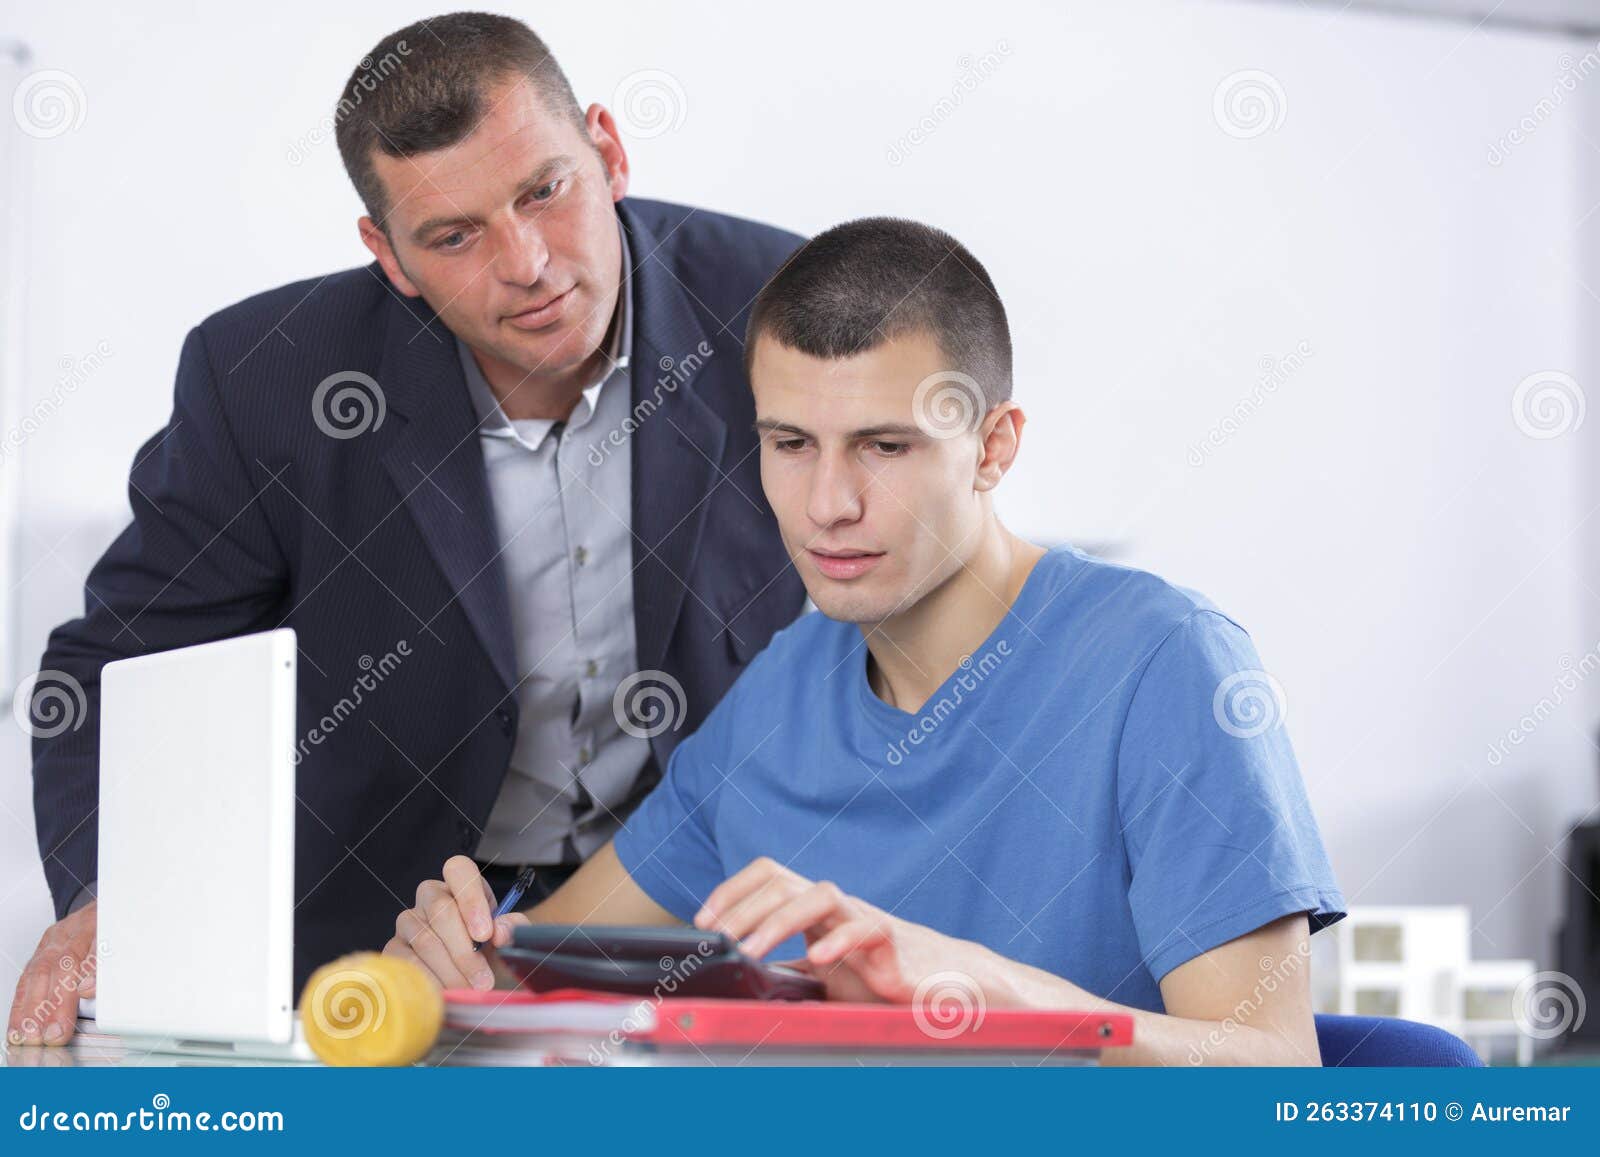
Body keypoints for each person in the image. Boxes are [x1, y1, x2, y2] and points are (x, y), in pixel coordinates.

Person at [8, 12, 806, 1048]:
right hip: (374, 958)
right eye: (454, 234)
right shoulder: (270, 378)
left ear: (607, 150)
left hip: (721, 934)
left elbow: (905, 624)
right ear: (386, 252)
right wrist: (111, 899)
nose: (526, 263)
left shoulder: (787, 314)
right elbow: (118, 663)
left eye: (544, 191)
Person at [388, 217, 1348, 1066]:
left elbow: (1268, 1073)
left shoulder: (1165, 663)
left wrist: (981, 991)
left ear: (995, 447)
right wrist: (464, 960)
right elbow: (549, 967)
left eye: (885, 447)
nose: (828, 506)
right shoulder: (782, 689)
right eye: (792, 443)